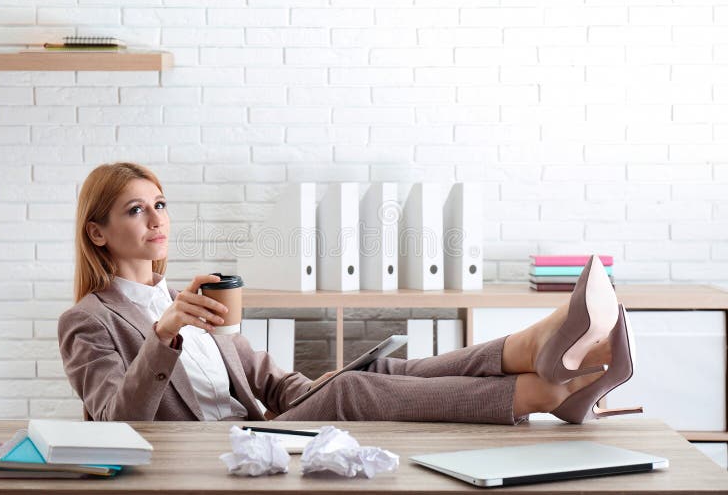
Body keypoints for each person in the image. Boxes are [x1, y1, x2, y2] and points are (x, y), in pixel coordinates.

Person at [58, 162, 641, 425]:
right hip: (220, 448)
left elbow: (267, 379)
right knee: (358, 392)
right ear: (98, 232)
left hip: (265, 420)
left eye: (160, 203)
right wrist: (165, 336)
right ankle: (545, 384)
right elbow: (116, 419)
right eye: (136, 209)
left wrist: (311, 387)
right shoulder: (89, 321)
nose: (156, 218)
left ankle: (543, 360)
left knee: (378, 368)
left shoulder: (182, 297)